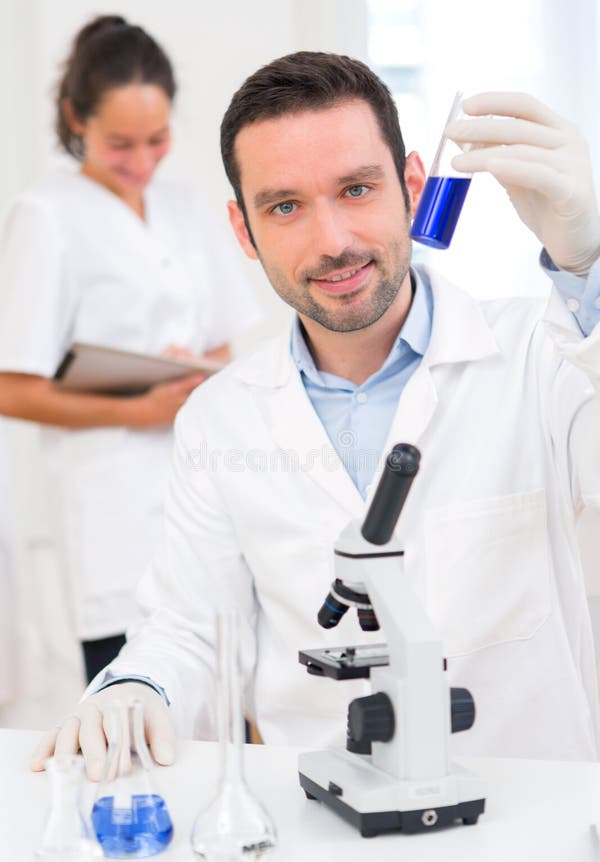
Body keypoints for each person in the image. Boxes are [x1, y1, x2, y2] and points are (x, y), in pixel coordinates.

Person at [32, 52, 600, 779]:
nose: (330, 241)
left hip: (531, 829)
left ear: (414, 189)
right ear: (244, 230)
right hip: (322, 834)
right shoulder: (217, 419)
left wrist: (588, 268)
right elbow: (189, 628)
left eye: (357, 188)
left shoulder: (541, 354)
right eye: (286, 206)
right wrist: (135, 688)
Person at [0, 16, 259, 684]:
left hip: (207, 494)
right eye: (121, 143)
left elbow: (226, 346)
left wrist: (194, 373)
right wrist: (138, 409)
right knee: (134, 707)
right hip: (112, 513)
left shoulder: (186, 206)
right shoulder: (47, 214)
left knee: (231, 696)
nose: (142, 162)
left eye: (157, 139)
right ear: (74, 119)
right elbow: (11, 387)